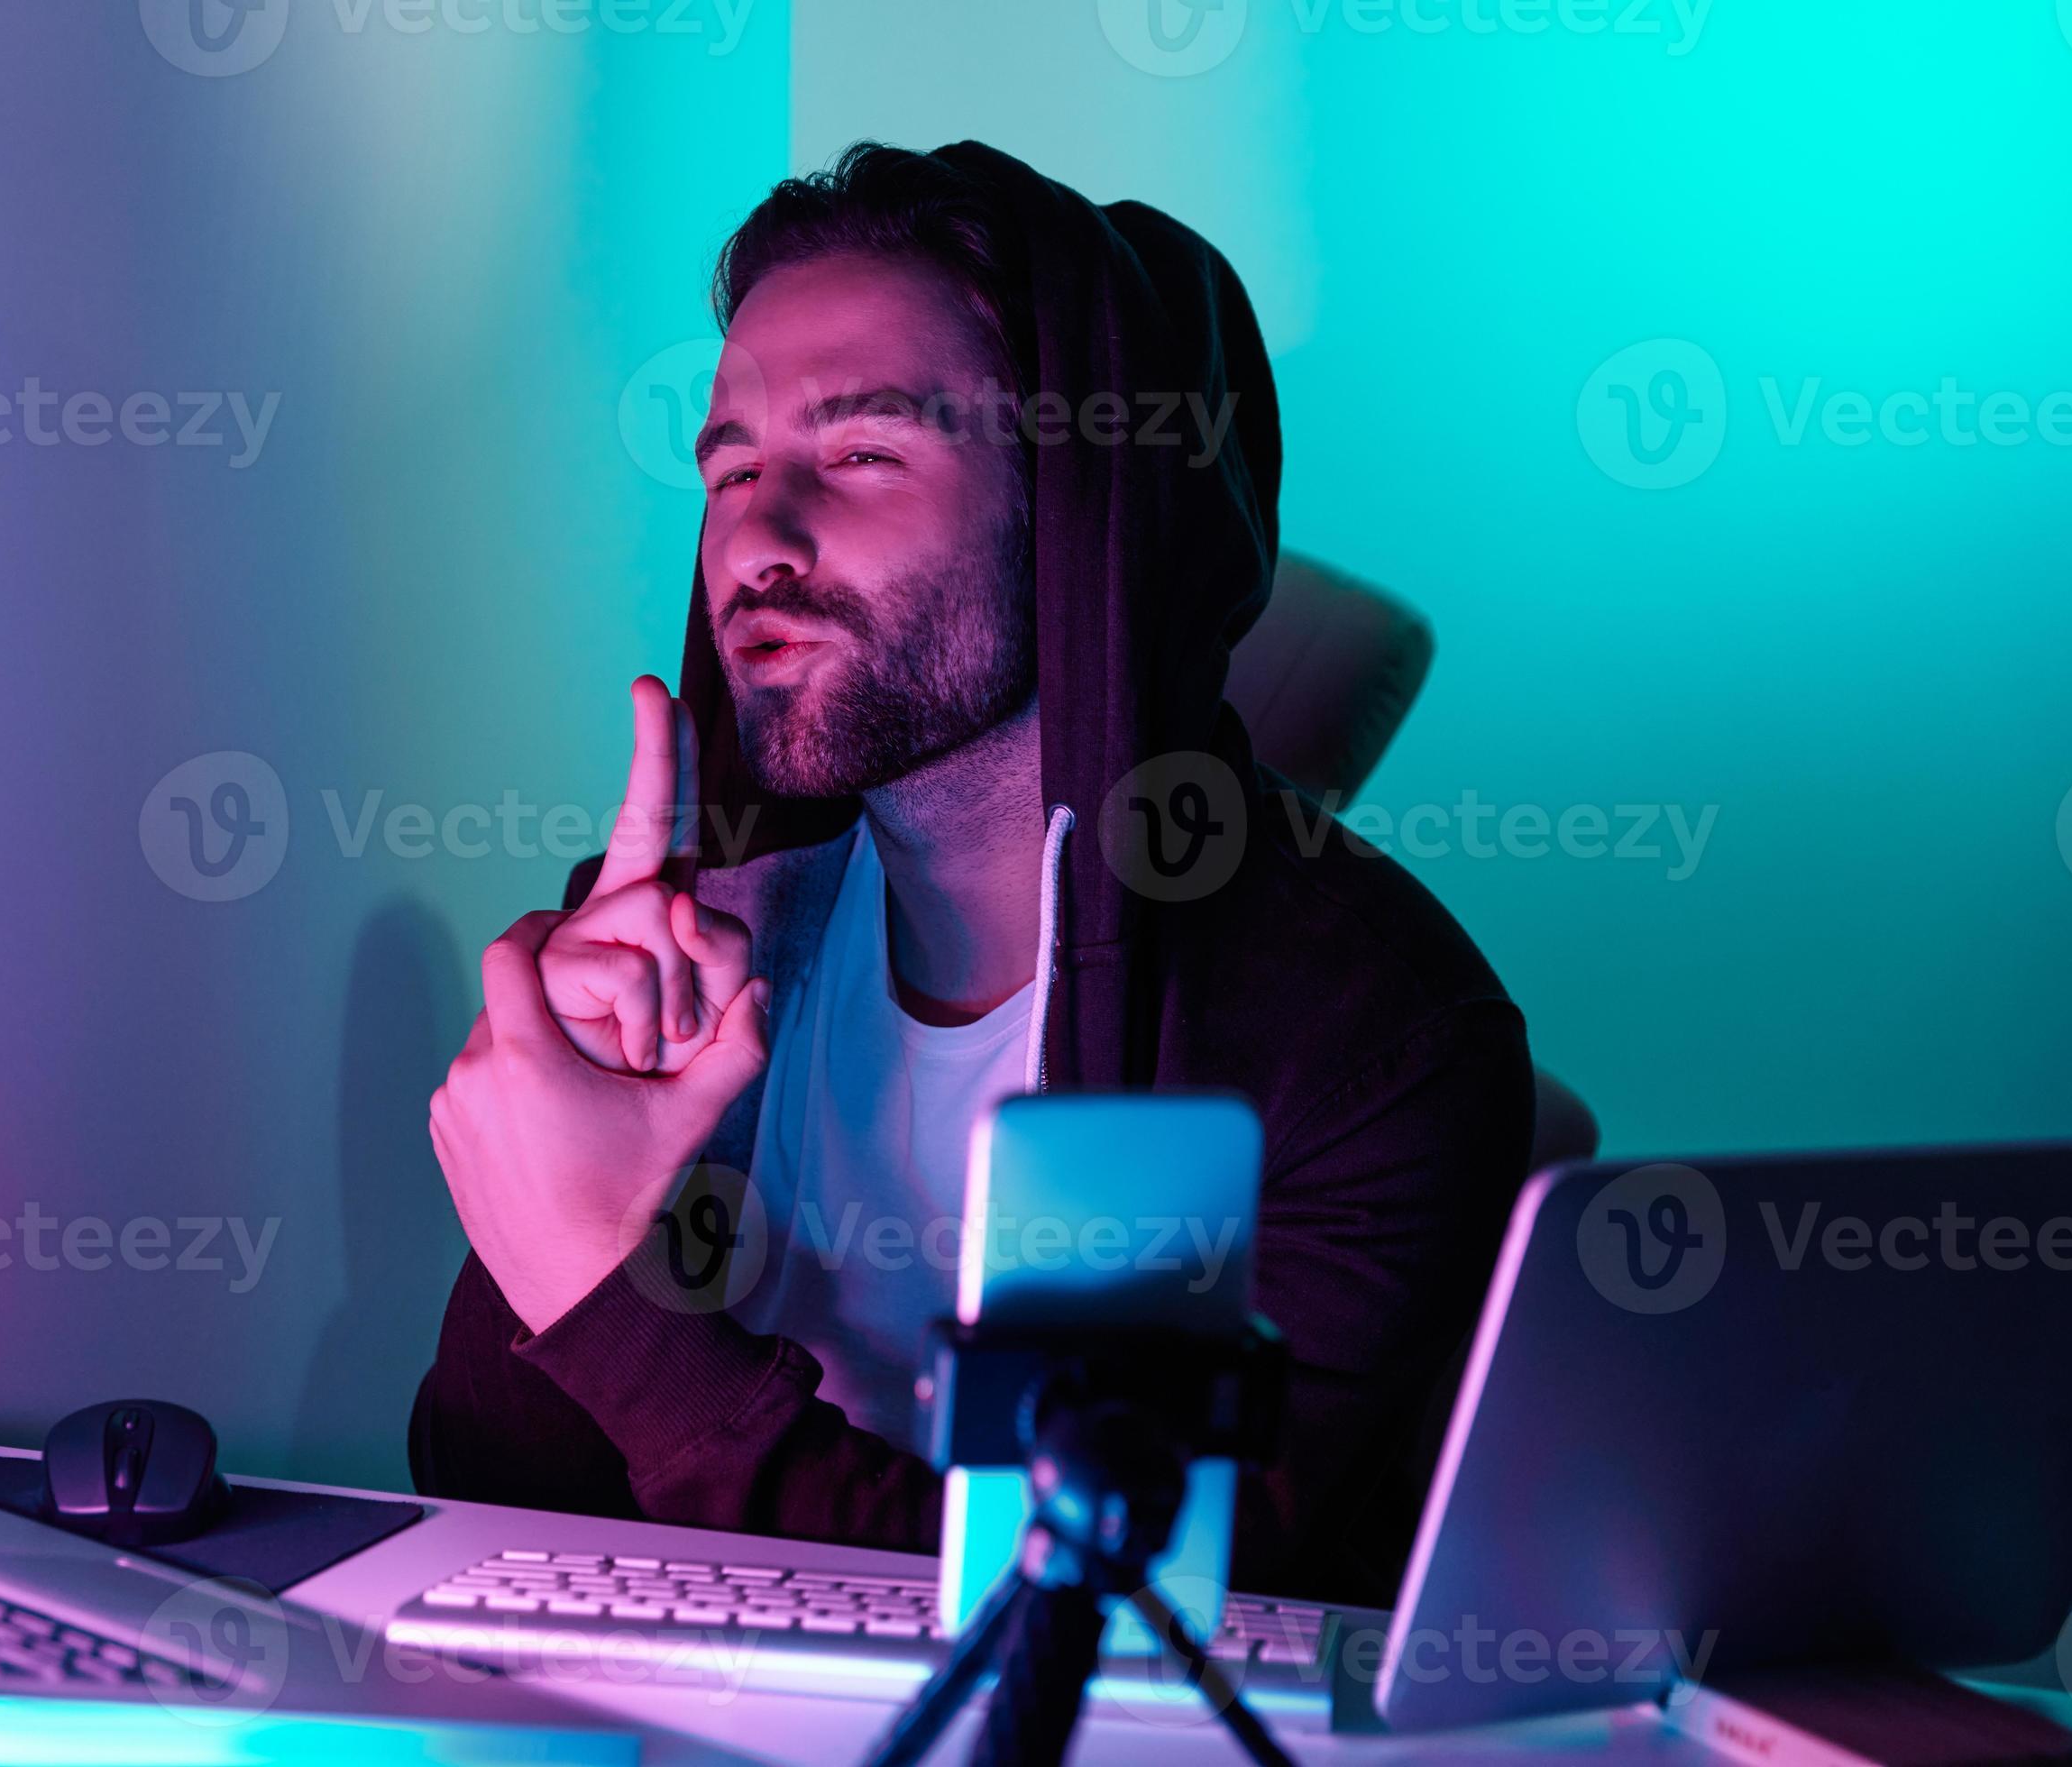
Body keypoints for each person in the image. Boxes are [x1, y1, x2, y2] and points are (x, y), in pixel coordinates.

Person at [412, 140, 1535, 1603]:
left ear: (1086, 510)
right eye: (733, 467)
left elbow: (1106, 1627)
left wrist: (605, 1311)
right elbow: (489, 1507)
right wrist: (581, 1155)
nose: (758, 534)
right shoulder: (690, 940)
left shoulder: (1369, 1046)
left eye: (862, 452)